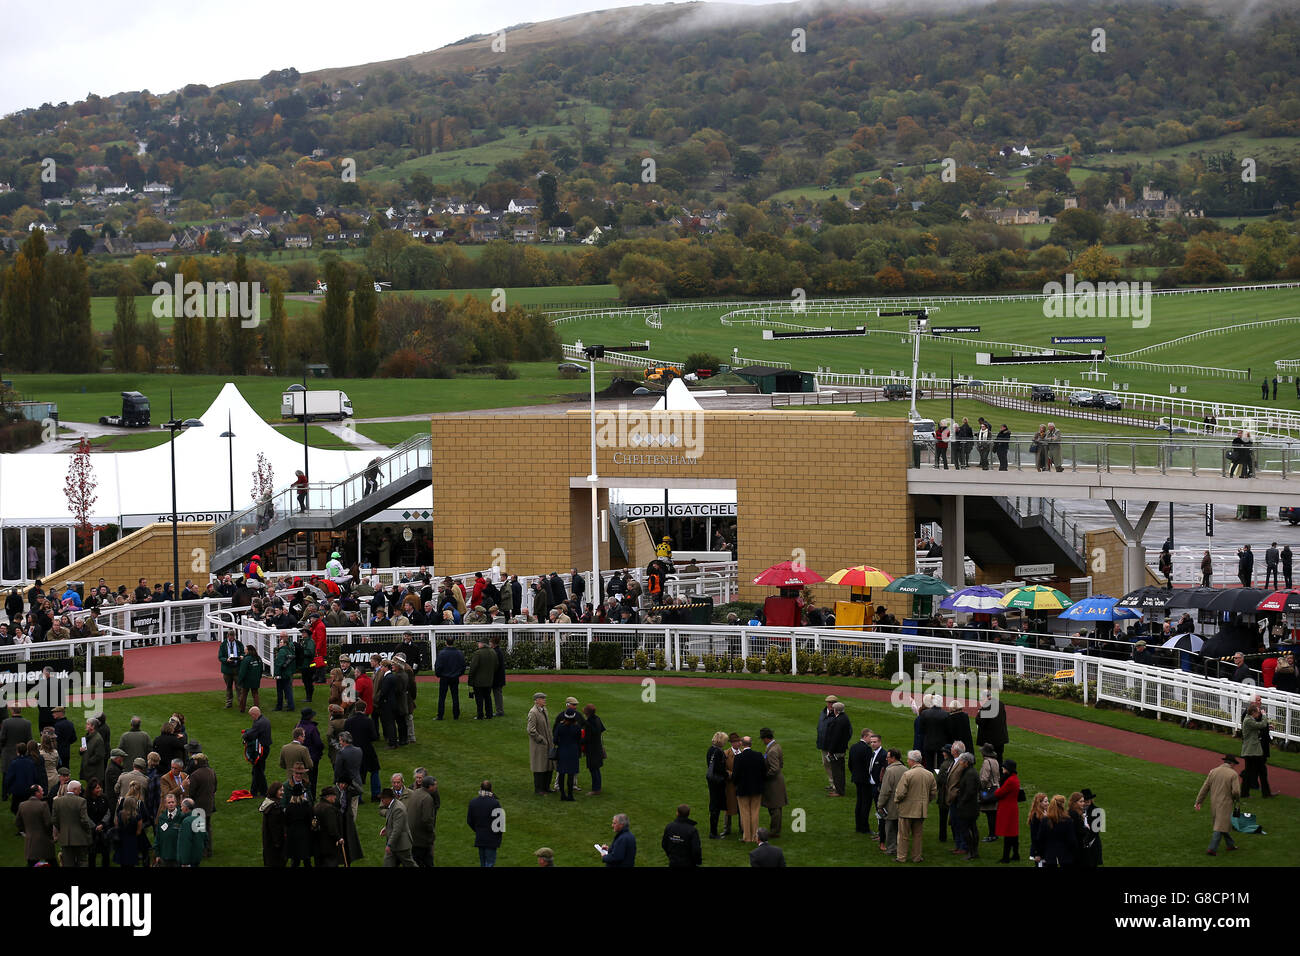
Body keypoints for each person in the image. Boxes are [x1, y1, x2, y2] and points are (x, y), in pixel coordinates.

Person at [895, 749, 937, 863]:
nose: (907, 761)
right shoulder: (929, 774)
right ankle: (916, 857)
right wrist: (925, 802)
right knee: (918, 836)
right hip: (921, 810)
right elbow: (933, 793)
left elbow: (900, 793)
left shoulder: (908, 774)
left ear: (912, 761)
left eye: (908, 760)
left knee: (903, 835)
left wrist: (897, 801)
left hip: (906, 810)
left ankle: (901, 857)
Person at [1196, 755, 1243, 856]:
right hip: (1226, 803)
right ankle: (1212, 849)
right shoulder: (1233, 774)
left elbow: (1205, 787)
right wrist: (1237, 799)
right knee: (1220, 826)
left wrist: (1199, 801)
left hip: (1214, 802)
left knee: (1221, 823)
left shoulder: (1213, 771)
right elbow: (1236, 791)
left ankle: (1230, 845)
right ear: (1232, 763)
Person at [731, 735, 766, 844]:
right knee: (755, 812)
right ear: (751, 744)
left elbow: (735, 776)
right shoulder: (759, 755)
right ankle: (756, 837)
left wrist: (736, 784)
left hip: (742, 789)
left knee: (745, 813)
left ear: (742, 744)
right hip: (757, 789)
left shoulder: (738, 758)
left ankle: (747, 837)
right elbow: (763, 772)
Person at [51, 779, 93, 867]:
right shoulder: (81, 801)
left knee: (67, 863)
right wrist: (88, 831)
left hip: (65, 838)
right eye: (79, 789)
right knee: (82, 861)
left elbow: (54, 820)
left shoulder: (57, 802)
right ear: (74, 790)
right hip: (80, 837)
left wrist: (61, 829)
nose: (81, 791)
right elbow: (84, 820)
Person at [466, 779, 503, 867]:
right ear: (491, 789)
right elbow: (500, 823)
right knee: (489, 863)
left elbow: (469, 821)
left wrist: (477, 830)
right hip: (492, 838)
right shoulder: (495, 803)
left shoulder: (473, 802)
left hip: (480, 837)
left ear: (480, 788)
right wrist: (497, 835)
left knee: (483, 863)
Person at [759, 727, 788, 837]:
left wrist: (765, 776)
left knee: (774, 807)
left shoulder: (772, 750)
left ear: (766, 738)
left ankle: (774, 831)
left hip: (773, 782)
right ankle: (776, 830)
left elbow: (774, 768)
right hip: (777, 780)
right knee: (777, 807)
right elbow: (780, 765)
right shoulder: (776, 746)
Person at [1240, 701, 1272, 798]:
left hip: (1252, 750)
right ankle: (1264, 793)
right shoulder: (1248, 720)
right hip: (1252, 750)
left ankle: (1263, 793)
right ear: (1253, 712)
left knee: (1256, 771)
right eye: (1258, 712)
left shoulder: (1249, 720)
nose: (1259, 714)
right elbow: (1261, 725)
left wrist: (1267, 726)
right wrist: (1265, 716)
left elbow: (1257, 728)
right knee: (1257, 771)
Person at [18, 784, 55, 866]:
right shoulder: (43, 805)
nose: (43, 792)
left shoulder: (22, 805)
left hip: (30, 841)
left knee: (31, 863)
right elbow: (48, 823)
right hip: (45, 841)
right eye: (41, 790)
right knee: (52, 862)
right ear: (37, 793)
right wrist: (51, 835)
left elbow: (18, 822)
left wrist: (27, 831)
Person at [406, 774, 439, 867]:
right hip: (421, 839)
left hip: (411, 835)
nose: (436, 787)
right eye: (435, 785)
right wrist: (432, 833)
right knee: (426, 861)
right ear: (430, 786)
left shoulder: (415, 792)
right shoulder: (427, 798)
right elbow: (427, 820)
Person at [993, 757, 1021, 863]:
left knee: (1008, 834)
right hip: (1011, 808)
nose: (1003, 770)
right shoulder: (1014, 778)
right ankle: (1015, 854)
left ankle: (1006, 857)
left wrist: (997, 789)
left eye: (1004, 768)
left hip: (1007, 809)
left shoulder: (1010, 781)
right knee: (1013, 833)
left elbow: (998, 793)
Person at [877, 748, 904, 857]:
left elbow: (885, 790)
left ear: (893, 758)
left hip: (891, 804)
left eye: (888, 757)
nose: (886, 759)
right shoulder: (906, 769)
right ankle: (900, 848)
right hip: (903, 804)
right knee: (900, 829)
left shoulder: (889, 770)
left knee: (890, 828)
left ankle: (891, 849)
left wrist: (880, 804)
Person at [379, 787, 414, 867]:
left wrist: (389, 845)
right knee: (387, 864)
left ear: (388, 799)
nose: (382, 801)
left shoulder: (398, 808)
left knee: (409, 864)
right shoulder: (392, 805)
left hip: (401, 846)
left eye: (382, 799)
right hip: (395, 845)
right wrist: (386, 828)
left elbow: (397, 830)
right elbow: (395, 822)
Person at [527, 693, 553, 795]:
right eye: (542, 698)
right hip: (539, 745)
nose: (544, 700)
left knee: (548, 766)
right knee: (539, 767)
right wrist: (541, 739)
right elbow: (530, 730)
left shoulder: (544, 710)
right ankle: (538, 789)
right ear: (536, 700)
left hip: (547, 743)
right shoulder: (533, 713)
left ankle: (546, 787)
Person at [434, 638, 466, 720]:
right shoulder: (459, 653)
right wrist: (459, 674)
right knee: (455, 697)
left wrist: (439, 675)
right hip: (455, 677)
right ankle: (456, 715)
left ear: (446, 643)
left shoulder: (442, 653)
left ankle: (440, 715)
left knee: (442, 697)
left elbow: (438, 666)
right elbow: (463, 666)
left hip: (444, 677)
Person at [554, 705, 581, 801]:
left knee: (561, 773)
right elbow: (579, 740)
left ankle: (562, 794)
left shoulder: (560, 727)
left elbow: (555, 740)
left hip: (562, 751)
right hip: (573, 752)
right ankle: (570, 795)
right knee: (570, 774)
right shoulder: (577, 727)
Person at [1040, 794, 1076, 867]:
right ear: (1062, 805)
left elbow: (1040, 838)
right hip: (1065, 854)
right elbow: (1072, 840)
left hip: (1050, 854)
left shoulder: (1045, 820)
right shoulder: (1068, 820)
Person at [243, 706, 272, 797]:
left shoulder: (259, 723)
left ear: (254, 714)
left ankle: (264, 791)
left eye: (251, 716)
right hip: (265, 748)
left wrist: (244, 736)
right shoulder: (265, 720)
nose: (251, 718)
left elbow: (252, 734)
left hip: (260, 750)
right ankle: (254, 790)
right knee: (257, 770)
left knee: (258, 771)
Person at [705, 731, 729, 839]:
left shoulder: (711, 749)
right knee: (716, 807)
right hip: (718, 781)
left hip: (711, 780)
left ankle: (713, 831)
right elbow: (719, 769)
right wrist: (728, 774)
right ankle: (713, 832)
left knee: (714, 805)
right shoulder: (719, 752)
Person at [824, 701, 851, 796]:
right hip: (842, 748)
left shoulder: (838, 721)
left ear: (836, 710)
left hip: (837, 750)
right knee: (840, 770)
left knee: (837, 771)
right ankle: (840, 789)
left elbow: (835, 737)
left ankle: (839, 791)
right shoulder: (845, 718)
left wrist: (830, 751)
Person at [977, 743, 1001, 844]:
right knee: (993, 813)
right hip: (996, 788)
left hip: (989, 790)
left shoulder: (987, 762)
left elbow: (984, 778)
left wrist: (980, 788)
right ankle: (994, 834)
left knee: (990, 813)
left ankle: (992, 835)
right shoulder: (995, 761)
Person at [467, 640, 496, 721]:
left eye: (479, 643)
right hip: (489, 679)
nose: (478, 644)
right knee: (488, 697)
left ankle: (480, 715)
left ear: (482, 644)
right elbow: (496, 665)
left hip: (478, 680)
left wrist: (470, 679)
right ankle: (489, 714)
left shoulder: (478, 653)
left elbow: (473, 667)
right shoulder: (493, 652)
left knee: (479, 699)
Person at [975, 691, 1008, 763]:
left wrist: (979, 712)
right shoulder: (1000, 703)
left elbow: (979, 721)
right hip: (1000, 738)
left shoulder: (986, 706)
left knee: (989, 761)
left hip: (990, 740)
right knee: (999, 759)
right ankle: (999, 773)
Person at [581, 703, 606, 794]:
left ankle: (596, 789)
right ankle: (598, 787)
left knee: (593, 769)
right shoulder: (597, 719)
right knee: (596, 769)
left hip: (591, 749)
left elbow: (586, 739)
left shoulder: (588, 723)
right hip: (598, 747)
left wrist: (577, 740)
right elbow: (602, 730)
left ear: (587, 713)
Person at [261, 781, 287, 866]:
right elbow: (275, 828)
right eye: (280, 790)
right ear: (274, 791)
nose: (282, 793)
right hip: (274, 845)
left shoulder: (270, 803)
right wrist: (278, 843)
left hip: (269, 843)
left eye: (283, 790)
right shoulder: (274, 808)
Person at [176, 798, 206, 867]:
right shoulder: (199, 819)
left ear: (186, 808)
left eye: (182, 806)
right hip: (197, 857)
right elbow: (205, 837)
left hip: (189, 860)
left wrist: (185, 861)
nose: (181, 809)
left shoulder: (186, 822)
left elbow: (185, 843)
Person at [218, 633, 244, 708]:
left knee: (239, 687)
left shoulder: (239, 643)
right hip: (227, 669)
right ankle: (229, 703)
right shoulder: (223, 645)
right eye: (231, 636)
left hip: (237, 668)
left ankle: (241, 703)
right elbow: (220, 657)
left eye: (233, 636)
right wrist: (226, 660)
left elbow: (243, 653)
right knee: (229, 687)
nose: (232, 637)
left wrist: (242, 656)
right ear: (228, 636)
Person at [237, 643, 264, 712]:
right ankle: (257, 709)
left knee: (244, 694)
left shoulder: (246, 659)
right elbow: (261, 669)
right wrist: (259, 677)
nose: (244, 651)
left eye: (245, 650)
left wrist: (239, 680)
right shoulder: (258, 658)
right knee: (255, 694)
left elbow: (242, 671)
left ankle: (242, 709)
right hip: (256, 679)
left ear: (248, 651)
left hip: (247, 680)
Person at [1080, 788, 1103, 866]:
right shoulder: (1077, 811)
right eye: (1085, 800)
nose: (1087, 802)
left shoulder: (1097, 811)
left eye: (1088, 799)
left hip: (1092, 846)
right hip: (1080, 846)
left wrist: (1085, 842)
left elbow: (1095, 830)